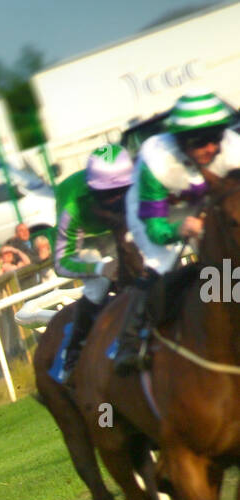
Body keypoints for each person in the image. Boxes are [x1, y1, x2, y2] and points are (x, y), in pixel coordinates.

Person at [113, 88, 240, 373]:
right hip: (156, 213)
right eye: (200, 142)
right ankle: (131, 341)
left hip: (205, 203)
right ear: (181, 141)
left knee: (226, 260)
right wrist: (178, 229)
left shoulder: (233, 150)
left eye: (215, 138)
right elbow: (156, 228)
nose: (211, 148)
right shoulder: (156, 160)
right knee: (162, 264)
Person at [51, 144, 135, 383]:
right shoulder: (72, 204)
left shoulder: (138, 183)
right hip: (85, 236)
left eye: (122, 190)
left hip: (121, 228)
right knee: (98, 282)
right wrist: (102, 268)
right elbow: (61, 262)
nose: (116, 198)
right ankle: (73, 353)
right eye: (107, 193)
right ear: (92, 189)